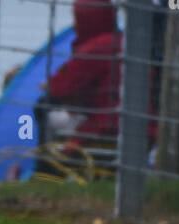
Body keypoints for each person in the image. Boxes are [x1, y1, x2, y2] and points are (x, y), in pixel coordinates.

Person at [38, 0, 123, 149]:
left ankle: (47, 164)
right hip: (133, 124)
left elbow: (59, 87)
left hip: (104, 125)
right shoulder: (122, 41)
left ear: (87, 20)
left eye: (77, 19)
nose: (74, 25)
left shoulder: (96, 48)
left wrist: (50, 84)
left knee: (42, 106)